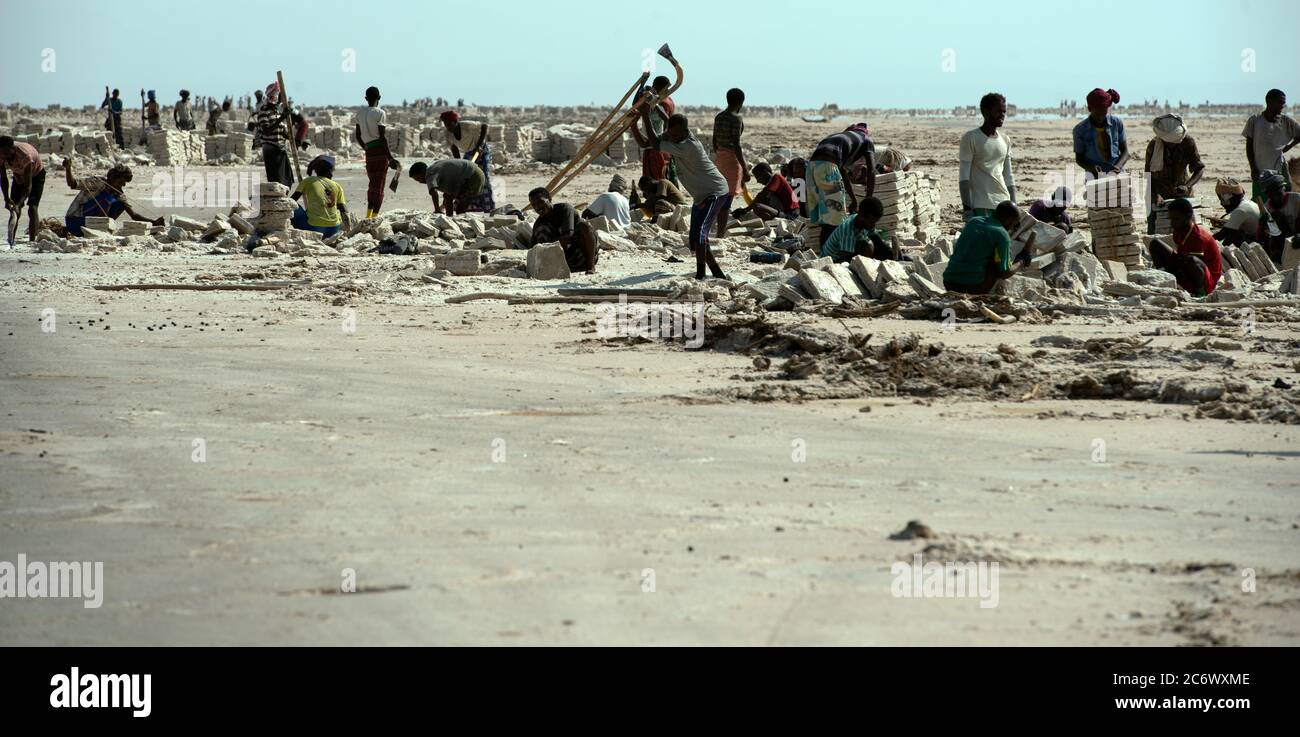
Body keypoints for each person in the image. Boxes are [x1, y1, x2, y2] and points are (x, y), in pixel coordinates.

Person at [638, 107, 730, 280]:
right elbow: (647, 142)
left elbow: (656, 144)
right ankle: (717, 273)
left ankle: (701, 274)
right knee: (695, 240)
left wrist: (645, 115)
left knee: (702, 234)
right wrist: (651, 110)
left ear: (685, 131)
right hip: (701, 196)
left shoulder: (689, 145)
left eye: (675, 134)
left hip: (716, 191)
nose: (672, 137)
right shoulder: (676, 137)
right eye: (670, 134)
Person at [942, 201, 1031, 294]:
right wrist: (1021, 260)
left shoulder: (974, 221)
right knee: (997, 264)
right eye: (1014, 224)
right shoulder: (1001, 235)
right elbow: (1004, 273)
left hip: (949, 282)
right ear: (1009, 220)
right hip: (971, 287)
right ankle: (986, 294)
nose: (1013, 228)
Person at [807, 123, 875, 245]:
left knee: (824, 215)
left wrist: (854, 199)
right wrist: (868, 200)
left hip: (812, 168)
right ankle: (827, 254)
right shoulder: (866, 139)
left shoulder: (841, 138)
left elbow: (842, 172)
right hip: (827, 168)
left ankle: (824, 251)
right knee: (834, 217)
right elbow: (871, 170)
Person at [60, 160, 161, 236]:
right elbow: (72, 184)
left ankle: (104, 228)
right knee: (106, 198)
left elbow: (133, 215)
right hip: (75, 221)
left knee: (120, 204)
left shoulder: (119, 193)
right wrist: (68, 168)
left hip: (89, 224)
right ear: (112, 178)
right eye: (120, 182)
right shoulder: (98, 182)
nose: (122, 185)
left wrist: (153, 222)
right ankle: (101, 229)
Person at [960, 93, 1016, 222]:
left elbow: (1008, 175)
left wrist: (1013, 204)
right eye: (998, 111)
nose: (1002, 115)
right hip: (982, 204)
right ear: (986, 112)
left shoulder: (1005, 140)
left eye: (1004, 111)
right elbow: (964, 176)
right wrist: (967, 208)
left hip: (1004, 204)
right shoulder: (971, 138)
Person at [1149, 197, 1221, 297]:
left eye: (1176, 219)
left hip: (1206, 280)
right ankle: (1164, 278)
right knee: (1155, 244)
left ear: (1188, 216)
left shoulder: (1199, 238)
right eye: (1171, 219)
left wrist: (1176, 269)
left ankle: (1200, 293)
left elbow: (1194, 266)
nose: (1172, 223)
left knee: (1190, 259)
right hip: (1184, 266)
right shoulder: (1179, 231)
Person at [1144, 113, 1203, 233]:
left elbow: (1199, 169)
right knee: (1155, 229)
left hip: (1182, 191)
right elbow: (1148, 175)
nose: (1172, 144)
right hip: (1159, 192)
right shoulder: (1154, 146)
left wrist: (1187, 186)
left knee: (1187, 230)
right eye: (1169, 142)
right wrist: (1156, 195)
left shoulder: (1187, 142)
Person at [1243, 89, 1300, 200]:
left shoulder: (1285, 121)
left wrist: (1288, 147)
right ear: (1269, 102)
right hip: (1260, 168)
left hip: (1279, 167)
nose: (1282, 106)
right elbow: (1249, 146)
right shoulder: (1255, 120)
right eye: (1279, 103)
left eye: (1283, 103)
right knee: (1260, 199)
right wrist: (1253, 168)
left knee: (1283, 198)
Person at [528, 187, 599, 274]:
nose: (538, 207)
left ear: (549, 199)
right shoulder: (539, 223)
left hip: (581, 256)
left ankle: (591, 267)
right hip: (563, 261)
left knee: (585, 226)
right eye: (534, 205)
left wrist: (549, 243)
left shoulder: (565, 209)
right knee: (541, 230)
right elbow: (534, 248)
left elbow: (567, 239)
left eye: (540, 202)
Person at [354, 86, 397, 218]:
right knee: (379, 185)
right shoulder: (380, 113)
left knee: (373, 183)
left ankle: (369, 215)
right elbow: (382, 136)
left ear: (366, 98)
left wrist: (365, 147)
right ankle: (373, 218)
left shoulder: (360, 113)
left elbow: (358, 135)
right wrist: (390, 157)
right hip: (380, 152)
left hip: (369, 152)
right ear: (379, 98)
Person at [439, 110, 494, 212]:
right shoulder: (448, 134)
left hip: (481, 150)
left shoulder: (466, 126)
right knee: (467, 179)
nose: (447, 126)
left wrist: (479, 146)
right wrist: (459, 165)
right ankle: (471, 206)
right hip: (469, 153)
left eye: (449, 123)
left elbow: (484, 126)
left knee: (483, 177)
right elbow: (454, 148)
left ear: (455, 122)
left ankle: (488, 207)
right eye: (445, 124)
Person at [712, 88, 748, 239]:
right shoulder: (736, 118)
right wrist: (745, 169)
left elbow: (714, 141)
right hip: (732, 160)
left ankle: (717, 231)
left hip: (720, 157)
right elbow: (737, 145)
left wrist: (721, 153)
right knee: (727, 200)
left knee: (720, 195)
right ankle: (720, 233)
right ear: (740, 102)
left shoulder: (719, 117)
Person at [819, 198, 902, 263]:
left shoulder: (862, 220)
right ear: (862, 216)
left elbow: (876, 239)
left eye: (875, 222)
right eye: (871, 222)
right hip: (833, 260)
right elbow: (845, 260)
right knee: (866, 246)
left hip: (847, 253)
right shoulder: (848, 233)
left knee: (875, 247)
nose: (873, 225)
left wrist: (890, 253)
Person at [1073, 88, 1129, 179]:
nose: (1100, 117)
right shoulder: (1080, 130)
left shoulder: (1117, 123)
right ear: (1090, 109)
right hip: (1094, 175)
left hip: (1117, 173)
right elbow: (1079, 159)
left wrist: (1118, 166)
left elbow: (1125, 152)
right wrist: (1091, 168)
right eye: (1097, 114)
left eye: (1103, 113)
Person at [631, 76, 678, 184]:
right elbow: (636, 105)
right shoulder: (657, 99)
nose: (667, 91)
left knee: (659, 177)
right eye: (666, 88)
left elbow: (668, 121)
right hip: (654, 142)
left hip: (657, 142)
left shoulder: (662, 102)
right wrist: (641, 85)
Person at [290, 155, 349, 238]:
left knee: (293, 207)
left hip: (314, 228)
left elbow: (291, 201)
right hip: (334, 230)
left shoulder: (308, 181)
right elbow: (343, 209)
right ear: (329, 171)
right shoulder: (337, 186)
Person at [0, 136, 46, 242]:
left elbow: (28, 186)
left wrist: (19, 202)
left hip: (36, 174)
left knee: (32, 207)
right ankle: (11, 239)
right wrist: (6, 199)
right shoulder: (1, 154)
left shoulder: (25, 156)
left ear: (12, 149)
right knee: (14, 210)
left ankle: (32, 240)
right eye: (2, 154)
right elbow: (3, 178)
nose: (4, 156)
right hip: (18, 175)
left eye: (6, 154)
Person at [249, 82, 293, 187]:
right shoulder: (265, 110)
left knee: (287, 182)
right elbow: (266, 130)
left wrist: (297, 140)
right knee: (277, 183)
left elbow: (283, 132)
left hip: (281, 151)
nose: (283, 98)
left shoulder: (278, 111)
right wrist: (282, 118)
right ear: (275, 96)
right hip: (271, 152)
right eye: (281, 95)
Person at [408, 159, 485, 215]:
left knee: (459, 209)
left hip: (473, 177)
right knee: (448, 197)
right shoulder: (435, 168)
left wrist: (437, 209)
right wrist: (442, 207)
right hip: (474, 173)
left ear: (422, 172)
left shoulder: (429, 174)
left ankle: (452, 222)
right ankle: (449, 219)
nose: (420, 182)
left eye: (418, 178)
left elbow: (433, 192)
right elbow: (448, 194)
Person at [732, 163, 798, 221]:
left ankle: (784, 218)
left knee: (757, 206)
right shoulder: (772, 183)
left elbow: (762, 195)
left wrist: (745, 210)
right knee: (759, 206)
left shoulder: (776, 177)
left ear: (765, 172)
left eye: (758, 177)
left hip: (791, 212)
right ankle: (776, 220)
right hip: (785, 211)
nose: (758, 181)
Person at [1260, 170, 1300, 263]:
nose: (1275, 197)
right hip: (1285, 240)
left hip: (1297, 234)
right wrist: (1264, 227)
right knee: (1274, 217)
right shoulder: (1267, 208)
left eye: (1278, 192)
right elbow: (1261, 236)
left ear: (1284, 188)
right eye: (1271, 194)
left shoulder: (1296, 199)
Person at [1212, 177, 1260, 247]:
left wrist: (1206, 241)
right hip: (1258, 236)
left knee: (1233, 234)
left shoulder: (1240, 210)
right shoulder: (1247, 203)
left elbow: (1223, 234)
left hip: (1257, 241)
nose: (1222, 203)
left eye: (1221, 199)